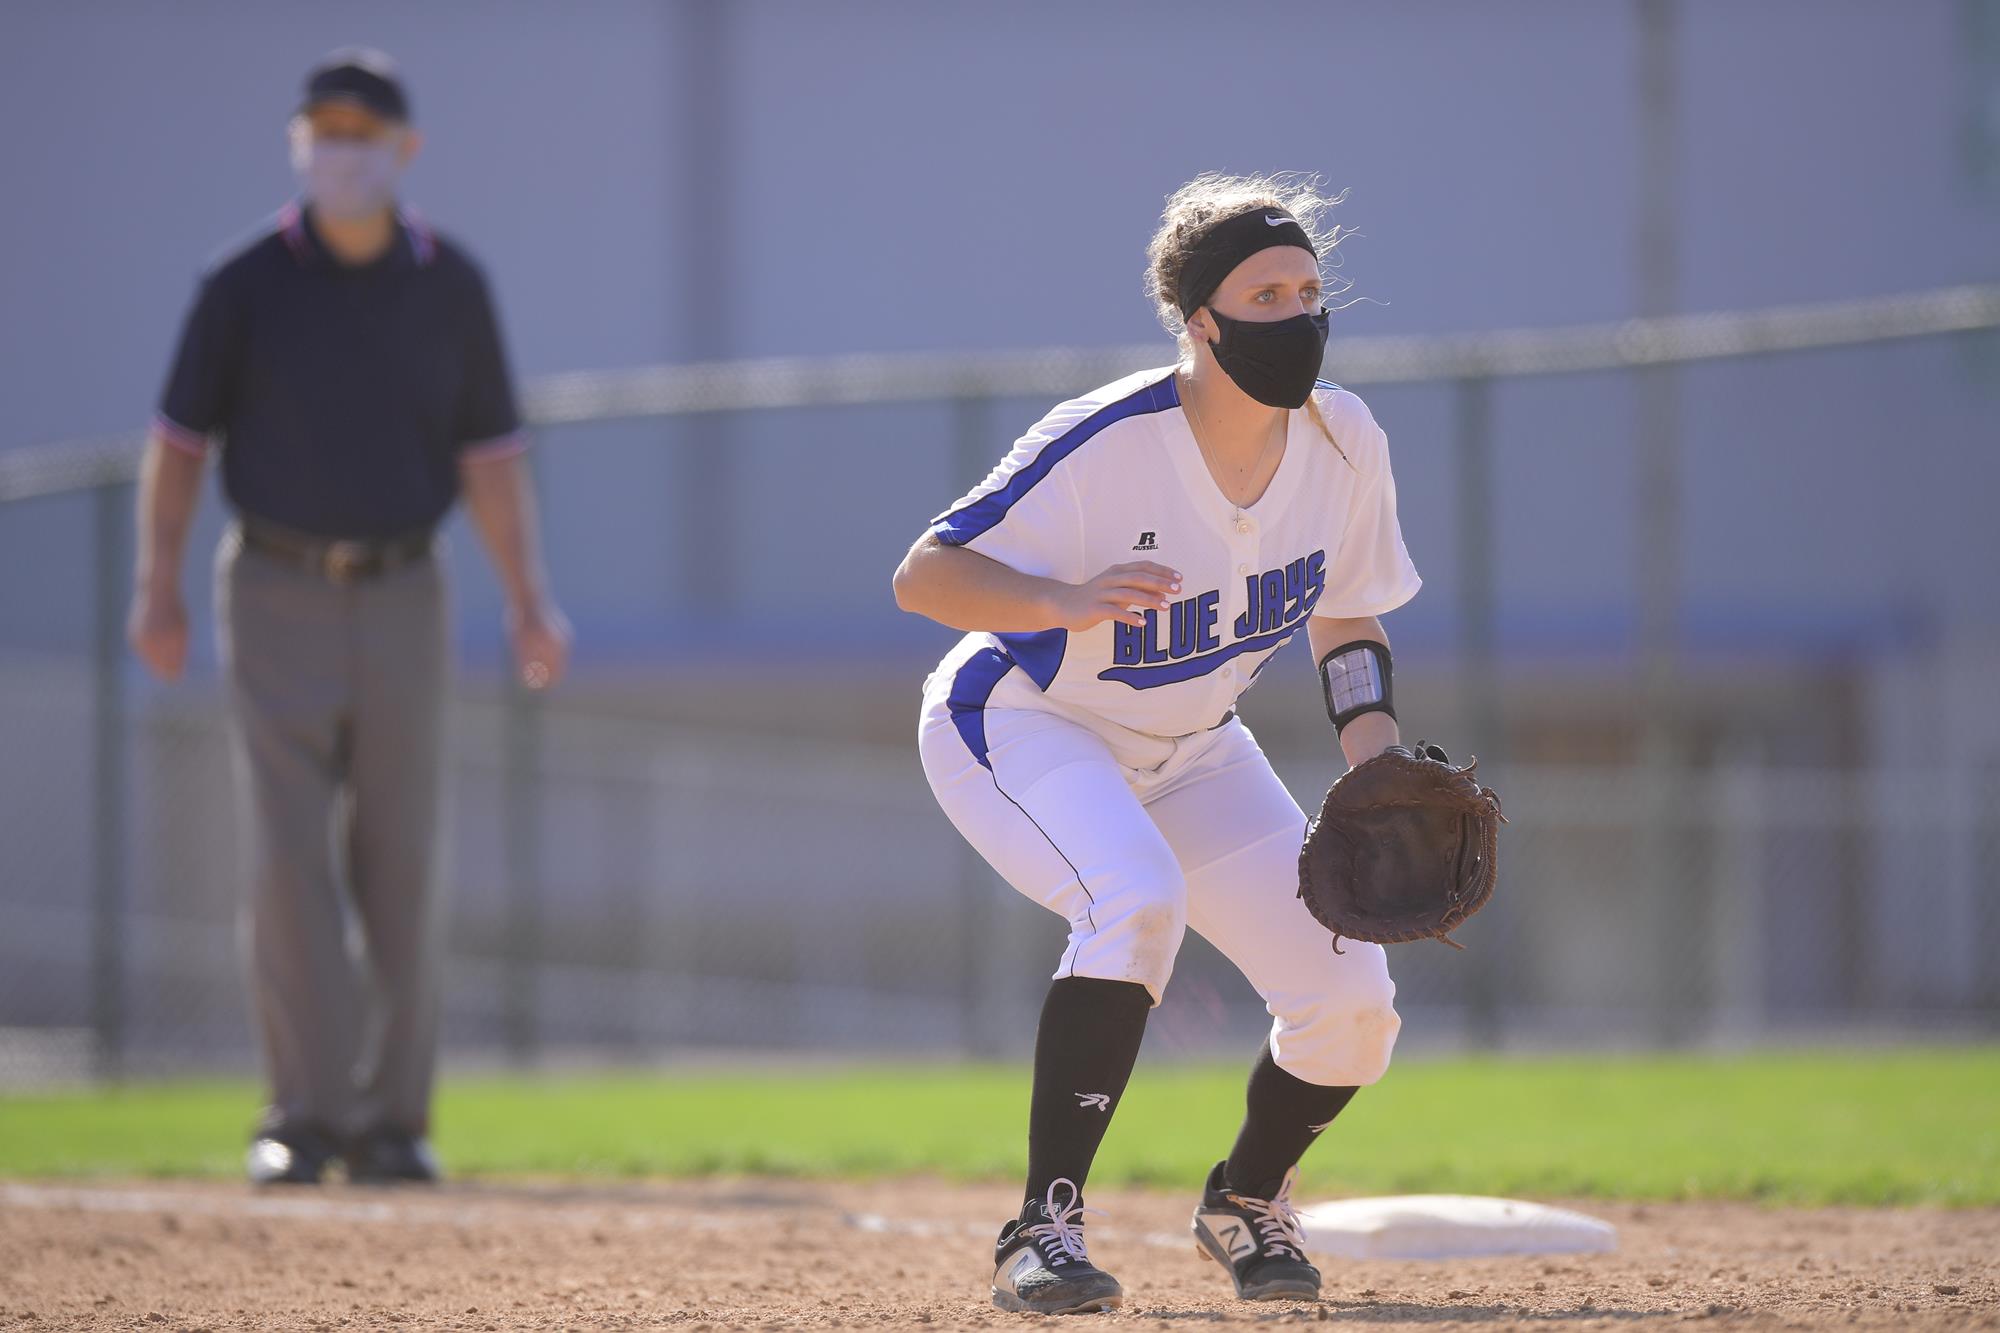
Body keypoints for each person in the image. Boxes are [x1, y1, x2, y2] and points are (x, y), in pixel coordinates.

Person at [893, 172, 1421, 1311]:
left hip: (1192, 746)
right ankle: (1042, 1229)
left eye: (1307, 288)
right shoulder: (1106, 443)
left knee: (1351, 1005)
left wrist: (1372, 752)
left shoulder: (1343, 439)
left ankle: (1243, 1200)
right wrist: (1063, 596)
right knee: (1132, 901)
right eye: (1263, 291)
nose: (1295, 312)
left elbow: (1347, 606)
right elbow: (924, 574)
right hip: (1025, 719)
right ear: (1198, 317)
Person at [126, 48, 571, 1185]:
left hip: (404, 590)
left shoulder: (449, 284)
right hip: (270, 588)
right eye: (321, 131)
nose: (340, 151)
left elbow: (492, 458)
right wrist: (156, 584)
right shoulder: (242, 284)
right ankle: (301, 1115)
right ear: (297, 146)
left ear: (404, 151)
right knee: (283, 859)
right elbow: (178, 446)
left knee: (402, 855)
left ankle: (391, 1123)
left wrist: (527, 599)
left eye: (361, 132)